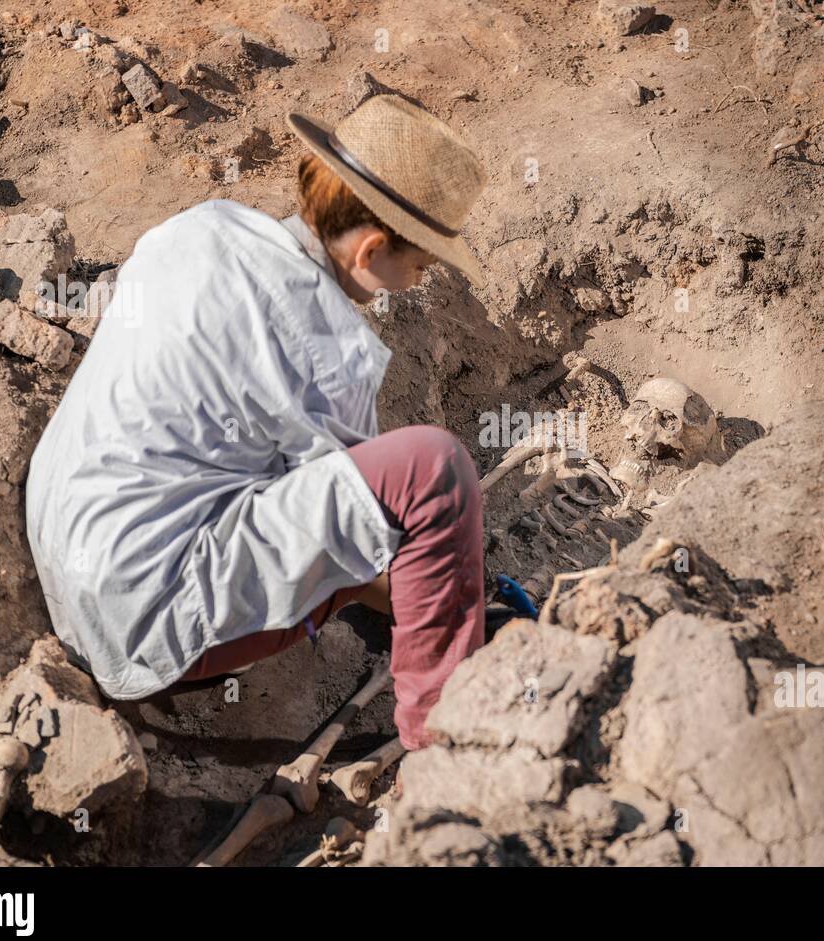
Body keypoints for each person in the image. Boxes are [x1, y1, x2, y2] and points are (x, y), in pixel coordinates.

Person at [25, 95, 488, 750]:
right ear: (372, 248)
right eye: (420, 264)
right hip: (145, 626)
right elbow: (366, 538)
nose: (415, 283)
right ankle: (441, 734)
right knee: (432, 472)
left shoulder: (201, 226)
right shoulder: (331, 349)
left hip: (72, 560)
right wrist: (455, 594)